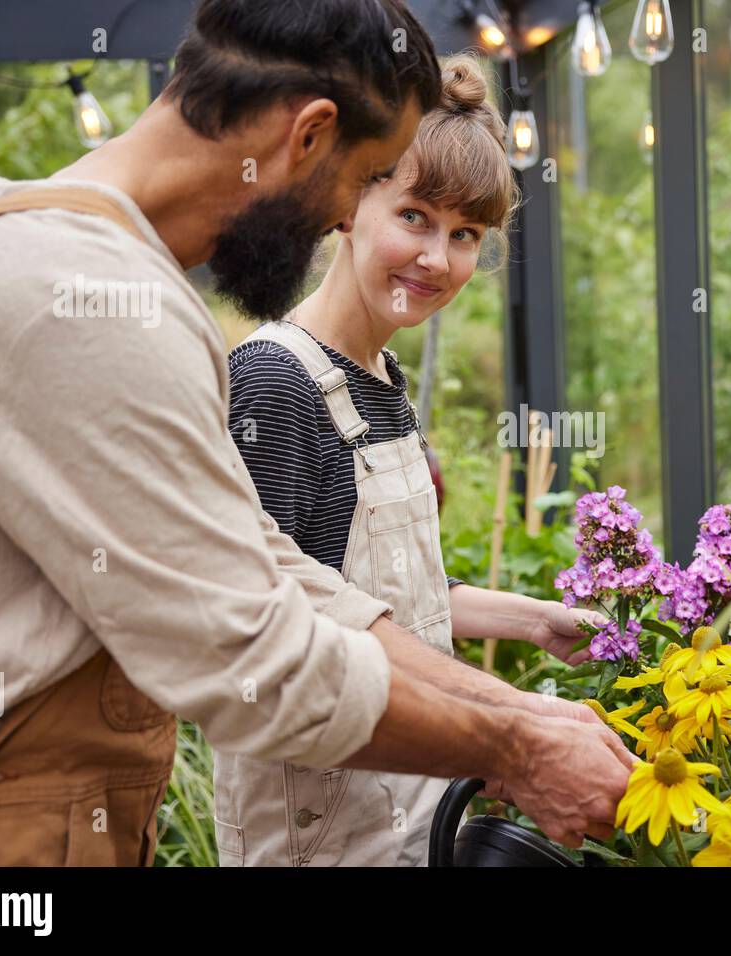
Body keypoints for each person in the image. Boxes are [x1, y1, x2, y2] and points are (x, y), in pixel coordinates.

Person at [0, 0, 631, 866]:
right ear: (311, 135)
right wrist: (517, 752)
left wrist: (523, 713)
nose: (339, 219)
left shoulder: (98, 265)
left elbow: (277, 571)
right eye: (367, 180)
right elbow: (252, 656)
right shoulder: (75, 296)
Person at [216, 54, 602, 866]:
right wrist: (514, 722)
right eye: (416, 217)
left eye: (465, 235)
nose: (439, 259)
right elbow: (272, 616)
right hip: (318, 833)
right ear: (349, 202)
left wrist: (538, 622)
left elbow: (380, 596)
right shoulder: (275, 385)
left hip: (411, 817)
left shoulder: (378, 381)